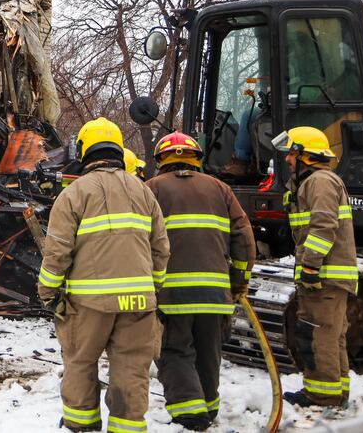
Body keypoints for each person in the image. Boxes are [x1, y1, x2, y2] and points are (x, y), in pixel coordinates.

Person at [37, 117, 170, 433]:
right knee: (131, 369)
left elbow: (56, 252)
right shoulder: (143, 192)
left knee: (81, 362)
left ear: (84, 150)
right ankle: (126, 427)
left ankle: (81, 424)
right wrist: (154, 288)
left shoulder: (74, 193)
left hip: (88, 304)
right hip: (139, 302)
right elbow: (161, 249)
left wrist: (49, 294)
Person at [146, 132, 256, 430]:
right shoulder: (221, 189)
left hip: (170, 293)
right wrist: (239, 281)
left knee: (174, 349)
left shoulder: (151, 189)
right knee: (209, 351)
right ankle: (208, 405)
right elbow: (244, 239)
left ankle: (190, 413)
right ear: (197, 158)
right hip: (215, 293)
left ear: (161, 160)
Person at [278, 126, 357, 408]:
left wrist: (310, 267)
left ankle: (321, 395)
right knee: (332, 335)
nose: (287, 159)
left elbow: (323, 227)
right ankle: (336, 391)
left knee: (318, 334)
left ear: (305, 155)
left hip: (324, 276)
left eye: (292, 152)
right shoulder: (316, 181)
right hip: (330, 275)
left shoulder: (319, 182)